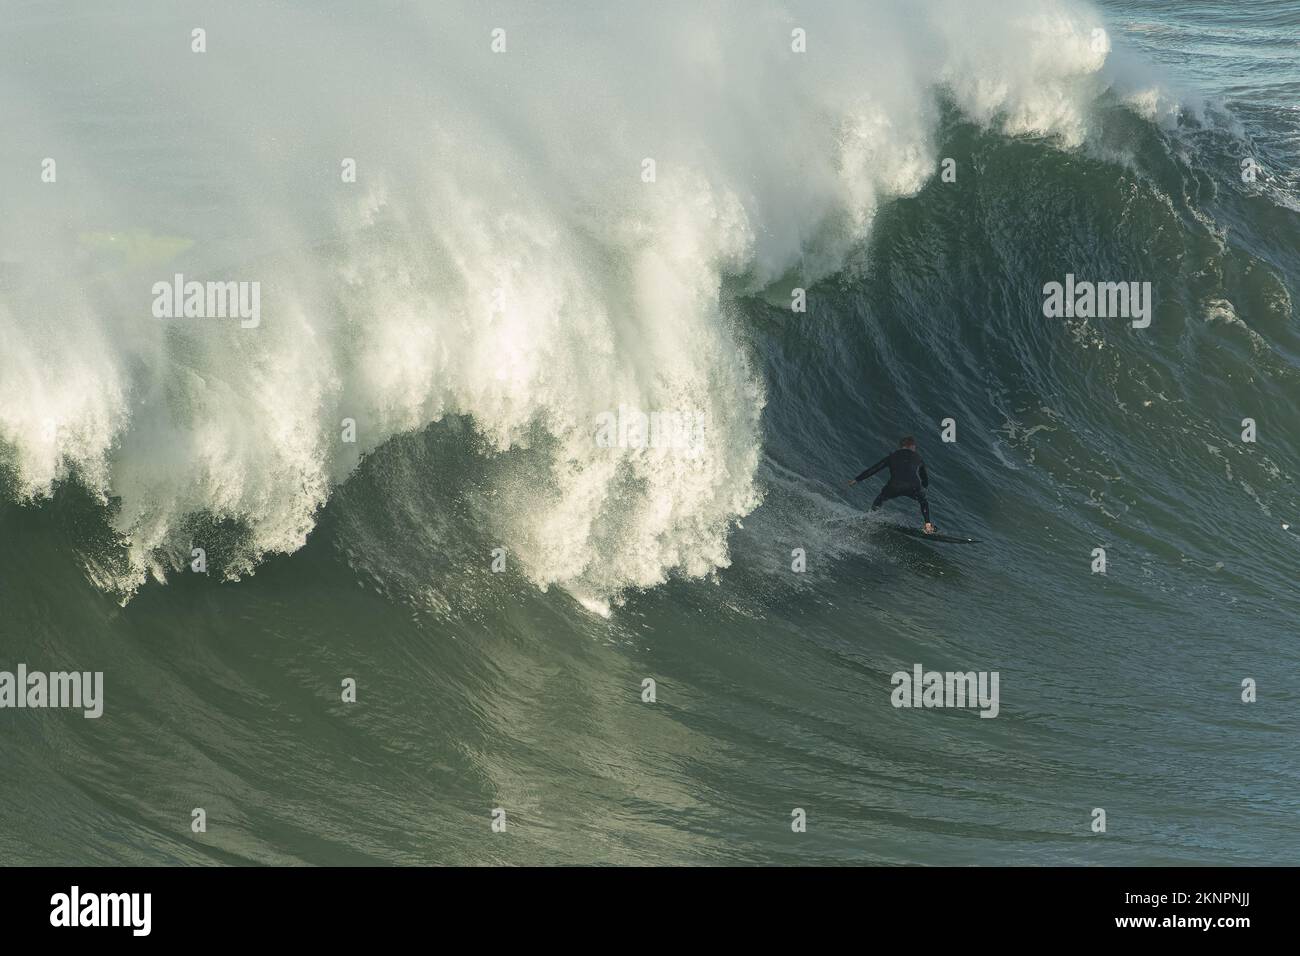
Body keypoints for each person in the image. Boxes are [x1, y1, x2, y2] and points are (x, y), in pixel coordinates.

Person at [847, 436, 935, 533]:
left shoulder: (892, 456)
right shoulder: (918, 458)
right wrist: (925, 486)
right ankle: (927, 525)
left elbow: (874, 469)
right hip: (913, 486)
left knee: (880, 498)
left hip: (894, 486)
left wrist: (856, 480)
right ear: (912, 446)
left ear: (901, 446)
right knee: (923, 501)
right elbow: (924, 476)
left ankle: (870, 517)